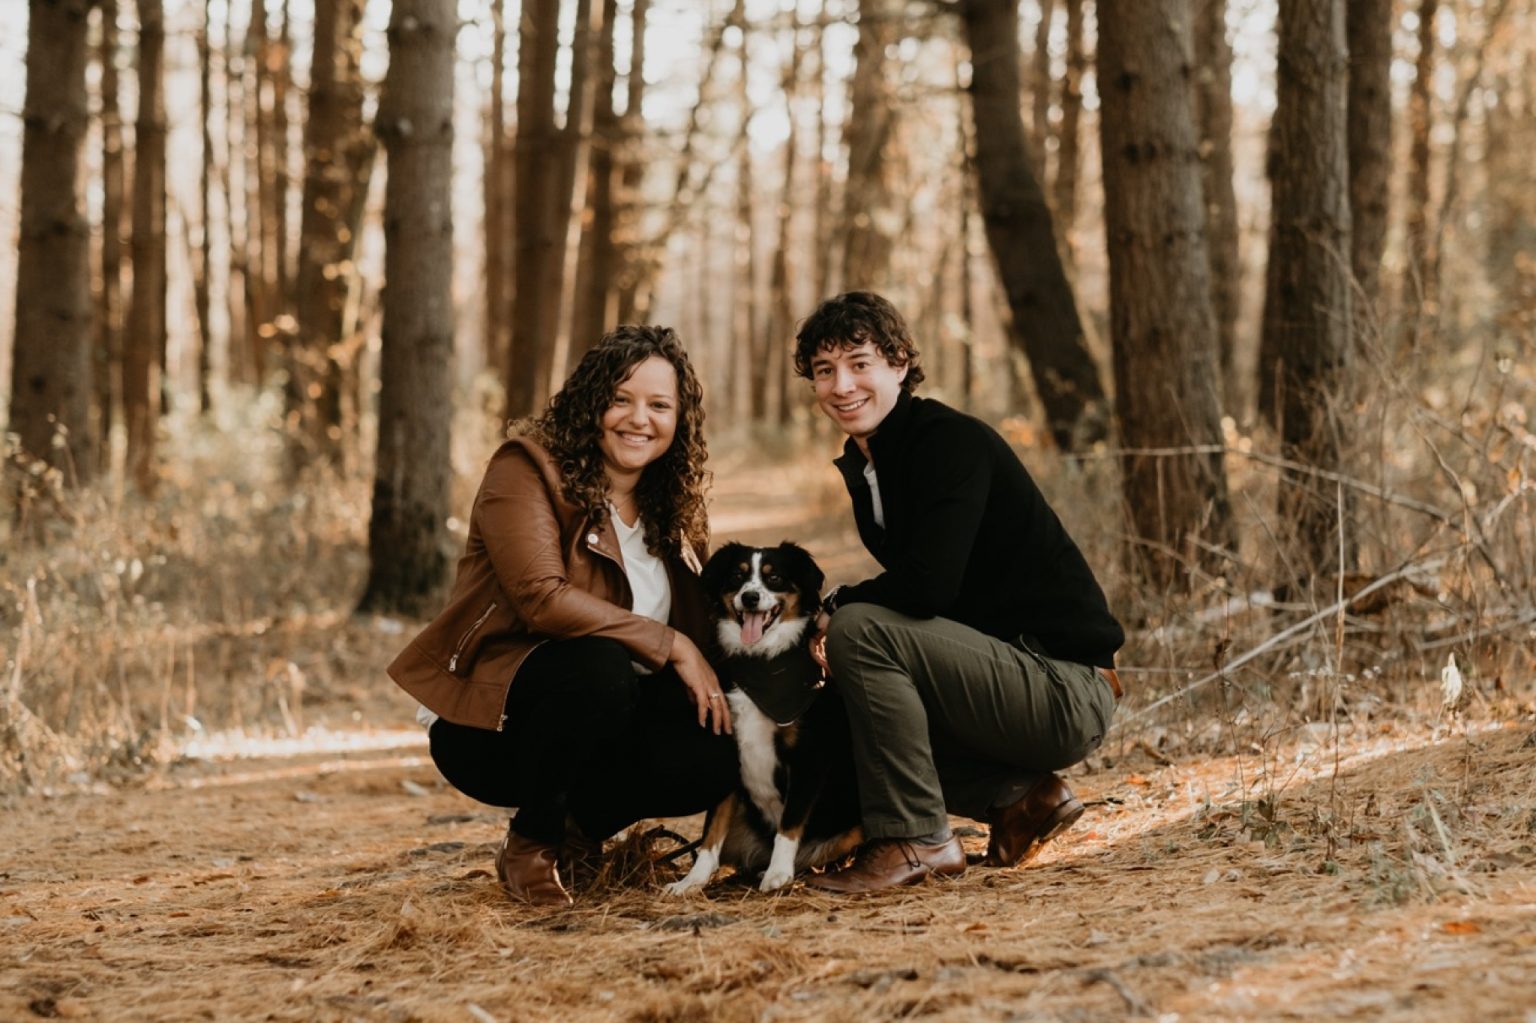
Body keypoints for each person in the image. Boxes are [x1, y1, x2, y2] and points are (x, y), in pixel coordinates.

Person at [387, 325, 736, 907]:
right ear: (590, 401)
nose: (638, 418)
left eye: (659, 405)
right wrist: (670, 642)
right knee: (600, 664)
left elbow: (709, 621)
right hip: (494, 725)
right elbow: (540, 597)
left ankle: (579, 834)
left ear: (680, 420)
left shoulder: (671, 505)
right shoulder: (526, 470)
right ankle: (533, 840)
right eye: (620, 399)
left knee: (723, 735)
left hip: (611, 721)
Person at [795, 292, 1125, 894]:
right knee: (842, 702)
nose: (842, 385)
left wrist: (836, 608)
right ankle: (1021, 798)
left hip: (1062, 684)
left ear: (899, 364)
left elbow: (926, 586)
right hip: (1009, 674)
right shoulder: (872, 462)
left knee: (860, 630)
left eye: (859, 363)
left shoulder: (948, 444)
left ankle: (919, 840)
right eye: (824, 370)